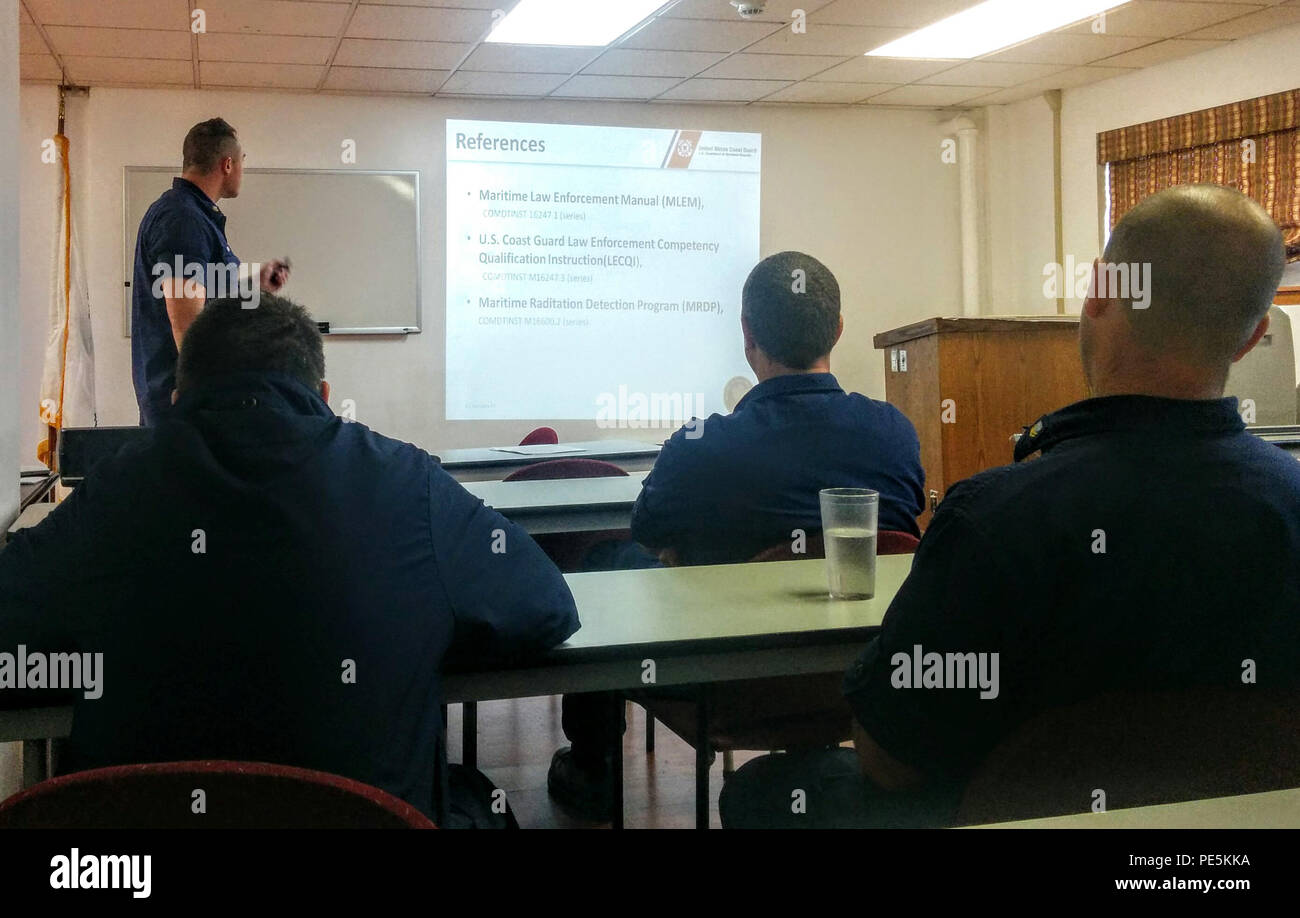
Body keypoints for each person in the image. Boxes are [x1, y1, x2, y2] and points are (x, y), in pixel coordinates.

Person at [719, 184, 1300, 828]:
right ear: (1252, 339)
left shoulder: (995, 518)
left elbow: (890, 759)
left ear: (1100, 292)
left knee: (761, 793)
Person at [0, 295, 579, 827]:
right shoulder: (407, 483)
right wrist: (418, 626)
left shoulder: (115, 491)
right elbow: (547, 606)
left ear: (177, 400)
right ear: (324, 397)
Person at [548, 251, 926, 819]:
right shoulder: (894, 433)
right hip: (859, 682)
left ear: (747, 335)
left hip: (728, 689)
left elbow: (647, 531)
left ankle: (591, 768)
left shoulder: (700, 448)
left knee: (604, 562)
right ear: (839, 330)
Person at [131, 117, 291, 426]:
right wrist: (209, 400)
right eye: (242, 161)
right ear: (227, 164)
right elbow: (186, 323)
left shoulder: (193, 216)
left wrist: (256, 282)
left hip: (190, 401)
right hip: (187, 408)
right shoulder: (183, 218)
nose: (243, 169)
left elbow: (207, 291)